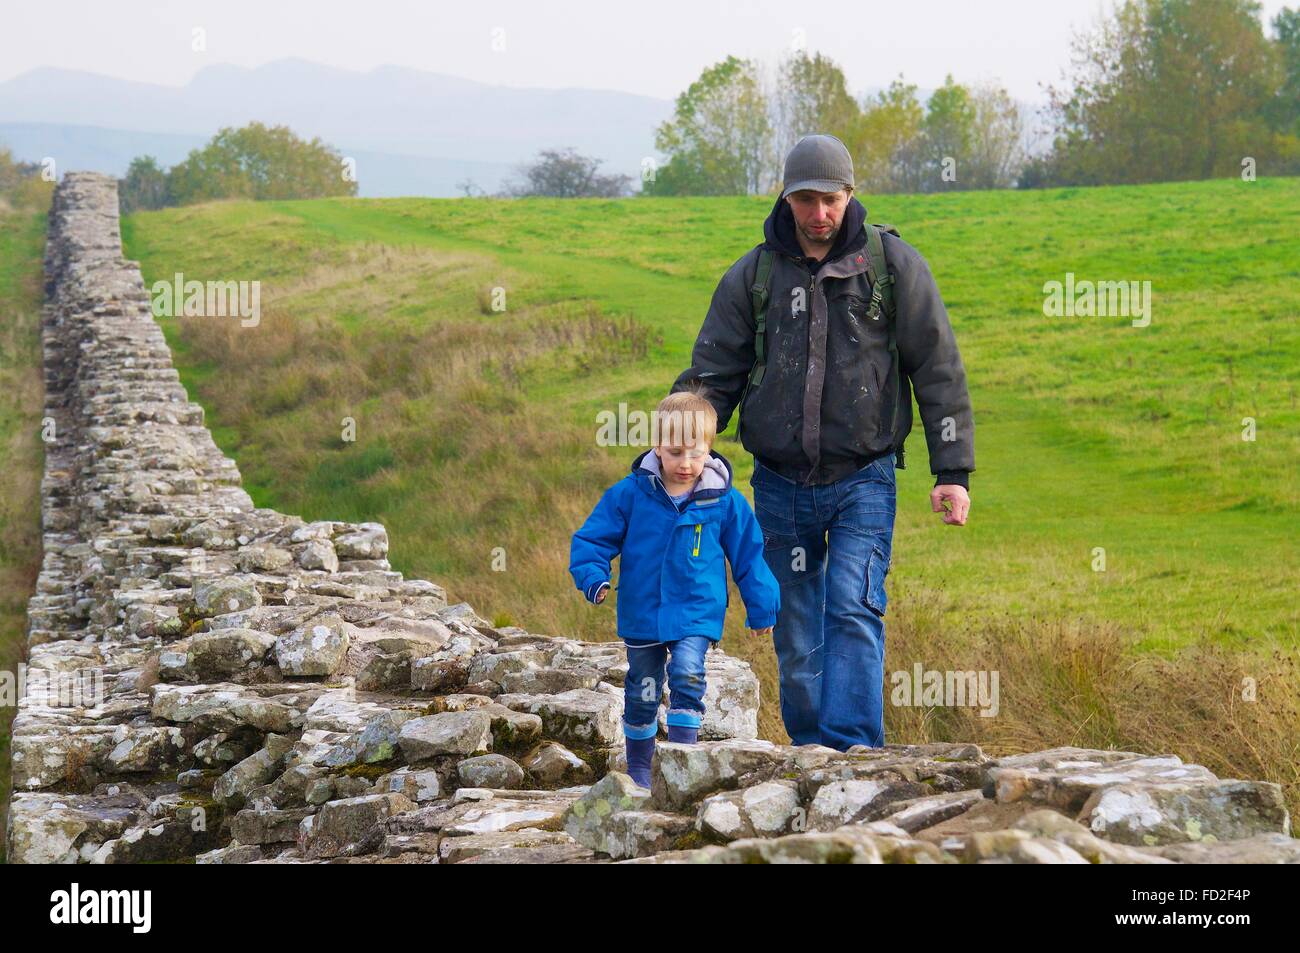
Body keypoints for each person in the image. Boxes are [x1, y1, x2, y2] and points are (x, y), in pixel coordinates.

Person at [670, 133, 975, 751]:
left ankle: (856, 754)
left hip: (865, 477)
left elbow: (937, 367)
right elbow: (712, 376)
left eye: (829, 199)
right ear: (785, 199)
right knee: (796, 623)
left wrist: (953, 472)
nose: (818, 214)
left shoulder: (893, 266)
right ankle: (812, 755)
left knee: (853, 609)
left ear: (850, 195)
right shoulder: (753, 276)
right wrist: (676, 448)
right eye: (805, 200)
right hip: (780, 484)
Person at [569, 386, 780, 787]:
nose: (686, 463)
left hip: (696, 610)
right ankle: (640, 773)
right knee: (643, 690)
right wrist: (594, 577)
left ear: (710, 448)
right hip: (643, 611)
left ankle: (682, 764)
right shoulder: (630, 495)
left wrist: (762, 607)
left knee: (686, 673)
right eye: (676, 452)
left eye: (696, 453)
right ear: (657, 447)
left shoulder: (724, 502)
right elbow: (591, 540)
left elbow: (749, 557)